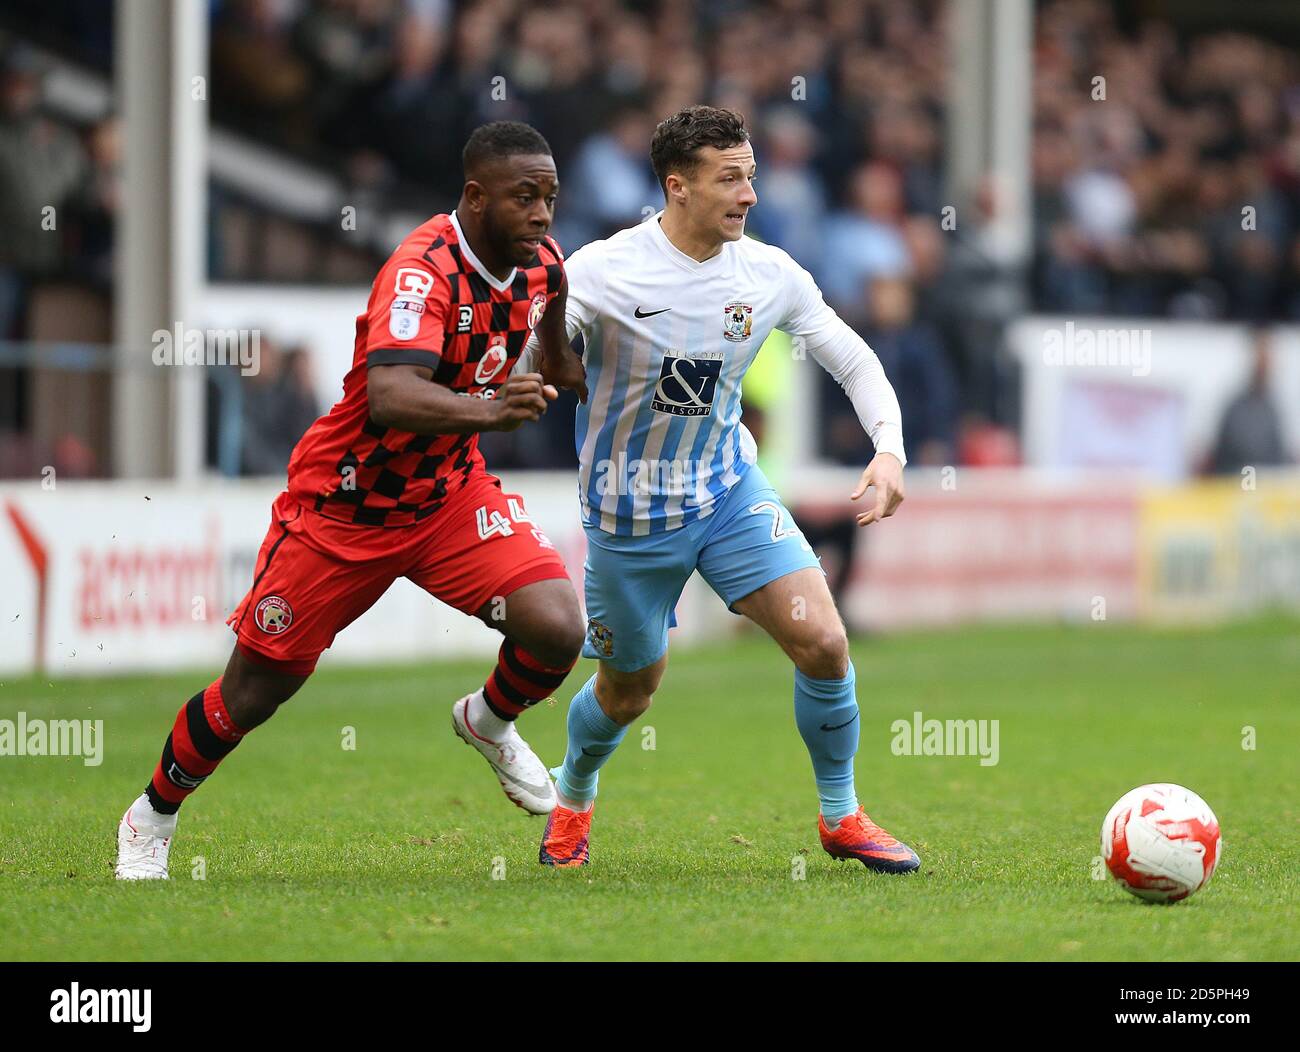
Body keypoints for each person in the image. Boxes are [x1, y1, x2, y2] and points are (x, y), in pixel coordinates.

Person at [115, 121, 589, 879]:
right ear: (475, 196)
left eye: (551, 198)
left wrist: (570, 369)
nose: (542, 214)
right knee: (254, 692)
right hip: (345, 507)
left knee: (558, 627)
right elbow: (392, 394)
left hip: (446, 497)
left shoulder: (542, 261)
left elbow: (553, 313)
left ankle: (489, 721)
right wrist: (493, 411)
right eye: (525, 198)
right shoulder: (420, 271)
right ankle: (152, 814)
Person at [521, 106, 921, 873]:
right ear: (677, 186)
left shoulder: (769, 274)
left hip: (727, 493)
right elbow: (532, 356)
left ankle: (841, 816)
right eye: (730, 178)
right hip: (627, 513)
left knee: (825, 643)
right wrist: (530, 372)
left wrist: (889, 451)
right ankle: (572, 795)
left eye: (752, 176)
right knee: (629, 690)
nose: (750, 195)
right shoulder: (603, 272)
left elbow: (852, 357)